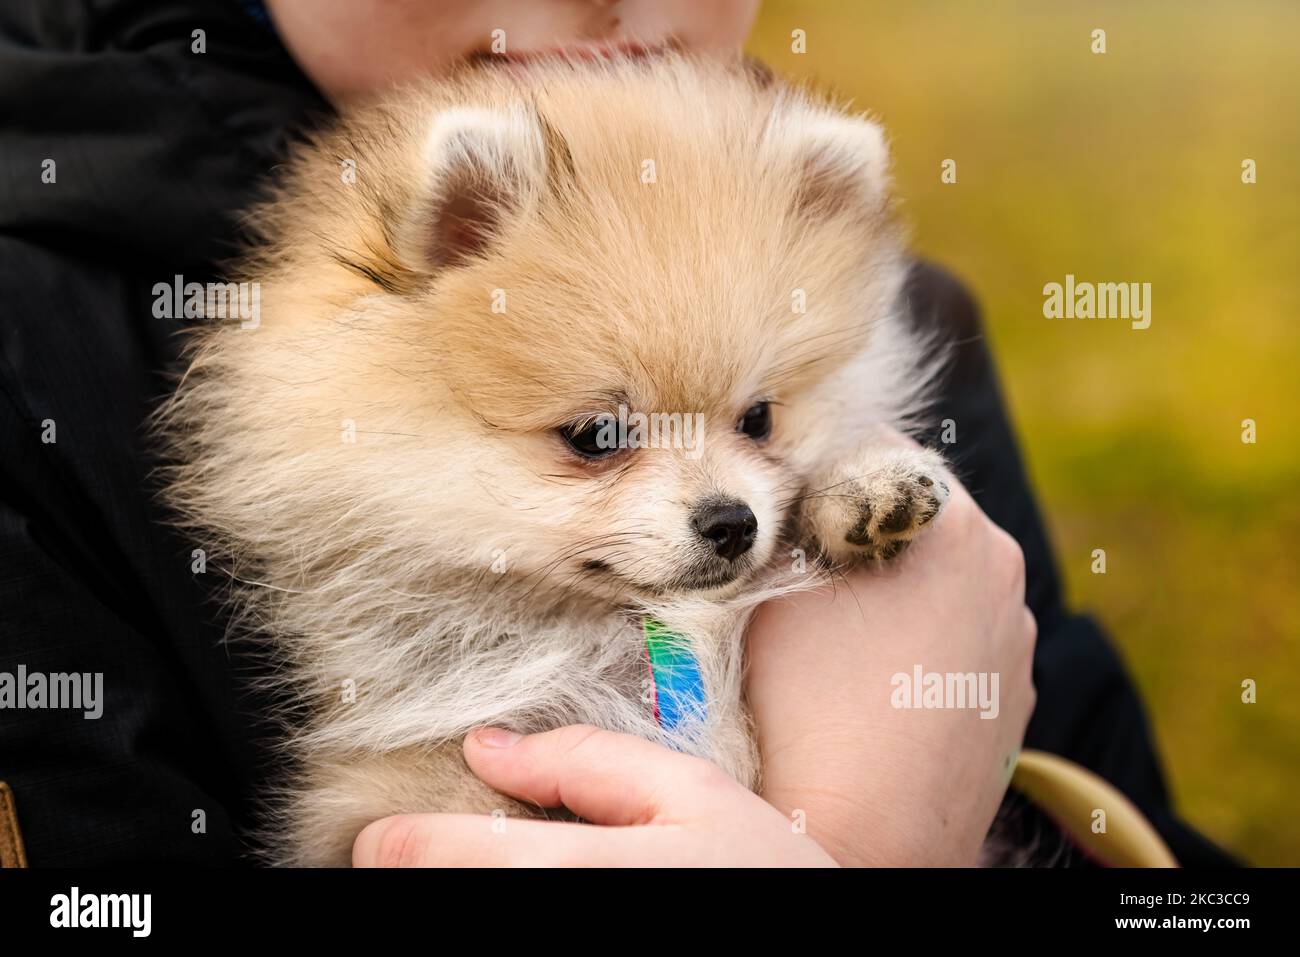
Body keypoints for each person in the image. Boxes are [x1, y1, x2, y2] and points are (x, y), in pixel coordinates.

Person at [0, 0, 1233, 867]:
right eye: (596, 436)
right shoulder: (36, 369)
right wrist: (864, 844)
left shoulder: (905, 326)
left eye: (757, 421)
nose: (724, 506)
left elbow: (1125, 829)